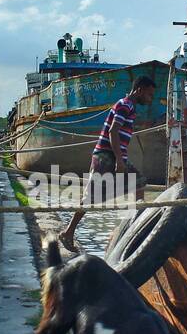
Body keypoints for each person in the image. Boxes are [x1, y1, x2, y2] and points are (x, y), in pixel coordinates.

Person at [59, 74, 157, 252]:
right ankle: (68, 233)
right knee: (90, 198)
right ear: (140, 90)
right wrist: (119, 161)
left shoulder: (131, 108)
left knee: (139, 181)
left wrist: (122, 160)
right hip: (106, 157)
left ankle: (136, 223)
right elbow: (113, 132)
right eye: (149, 95)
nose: (150, 100)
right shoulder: (124, 105)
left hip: (115, 157)